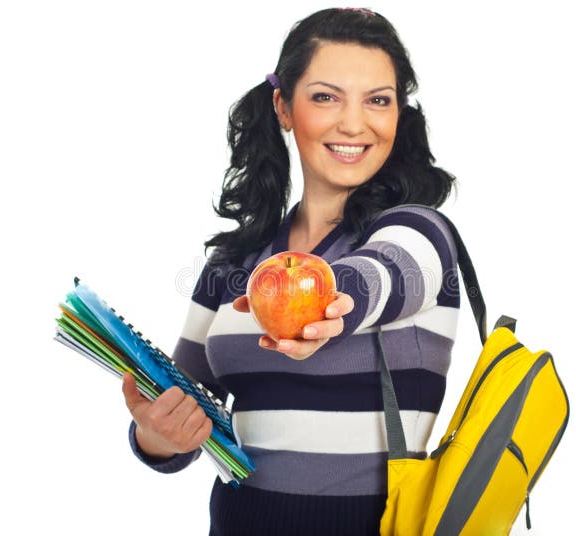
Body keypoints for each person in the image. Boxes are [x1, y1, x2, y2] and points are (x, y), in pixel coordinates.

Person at [121, 7, 462, 535]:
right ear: (283, 106)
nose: (354, 122)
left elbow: (382, 277)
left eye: (378, 100)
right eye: (326, 96)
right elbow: (187, 411)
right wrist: (158, 436)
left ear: (399, 115)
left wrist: (326, 305)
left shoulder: (421, 234)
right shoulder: (233, 263)